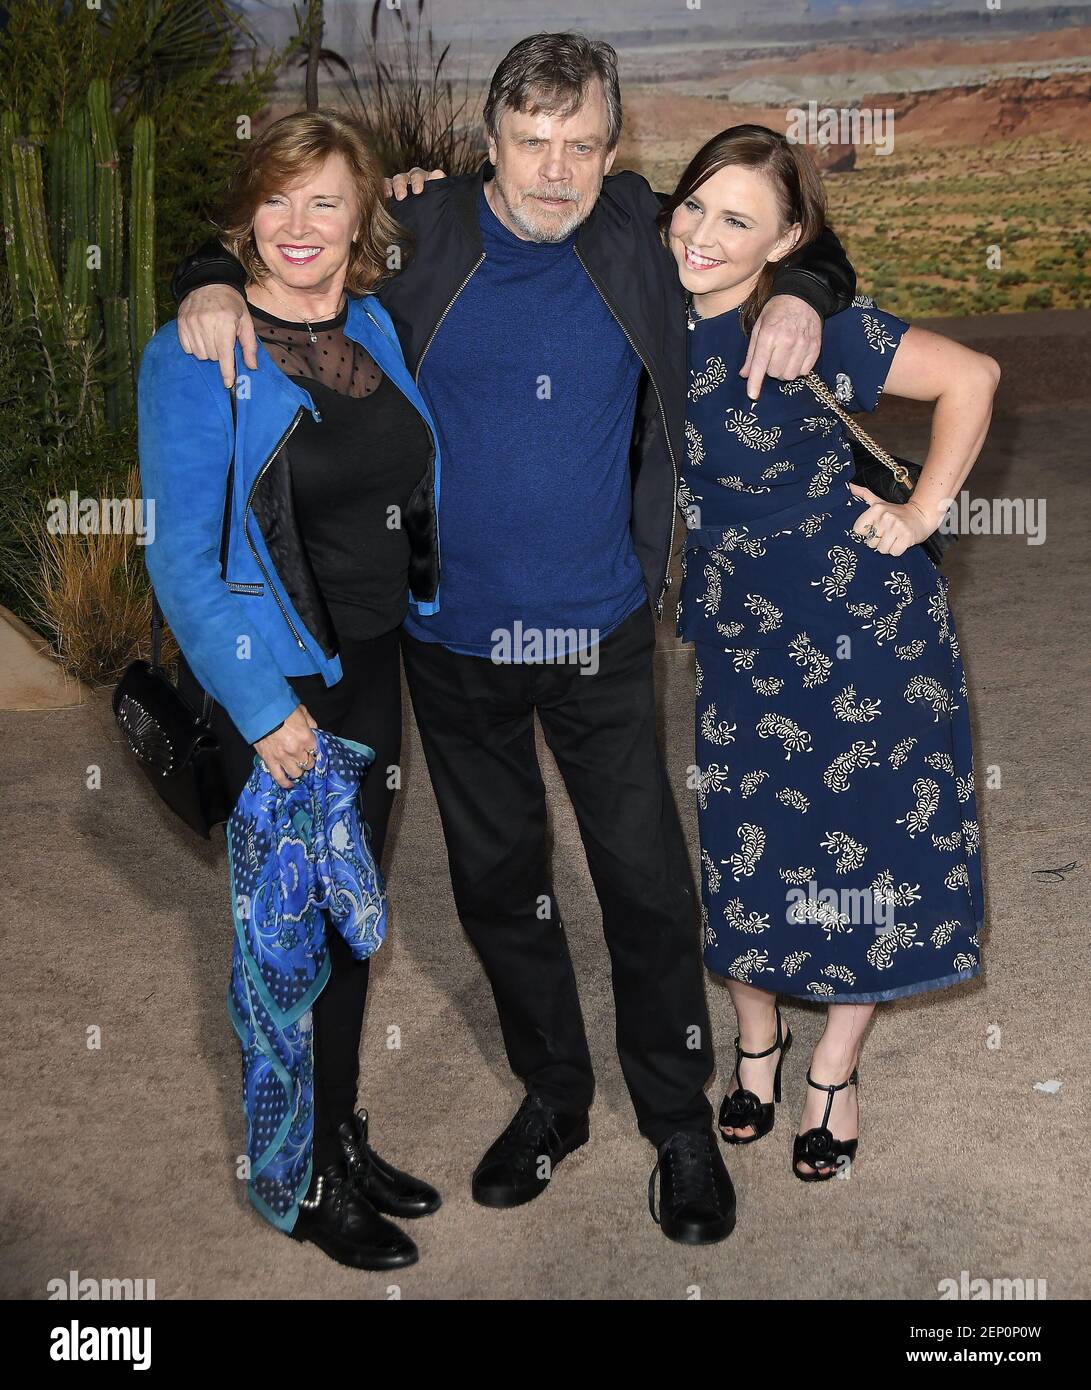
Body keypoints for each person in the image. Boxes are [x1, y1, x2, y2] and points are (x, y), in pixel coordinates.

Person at [166, 34, 858, 1243]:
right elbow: (285, 231)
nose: (553, 170)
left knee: (644, 883)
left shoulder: (639, 232)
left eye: (580, 143)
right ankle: (554, 1094)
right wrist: (199, 276)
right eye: (530, 142)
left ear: (611, 149)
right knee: (500, 886)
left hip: (600, 630)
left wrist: (799, 294)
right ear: (484, 142)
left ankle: (680, 1121)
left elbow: (800, 239)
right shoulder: (414, 237)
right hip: (445, 638)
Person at [663, 124, 998, 1180]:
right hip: (738, 637)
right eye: (693, 205)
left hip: (864, 636)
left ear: (786, 239)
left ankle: (832, 1073)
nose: (702, 235)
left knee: (869, 850)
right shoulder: (646, 314)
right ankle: (756, 1049)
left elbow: (972, 377)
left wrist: (919, 512)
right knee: (746, 847)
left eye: (737, 219)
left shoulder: (814, 327)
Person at [138, 109, 443, 1268]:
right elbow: (181, 554)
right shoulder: (197, 351)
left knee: (353, 923)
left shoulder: (371, 321)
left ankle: (341, 1133)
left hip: (375, 666)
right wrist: (264, 714)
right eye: (277, 200)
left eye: (327, 200)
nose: (301, 226)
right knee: (286, 948)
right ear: (243, 214)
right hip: (280, 688)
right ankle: (298, 1180)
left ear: (363, 215)